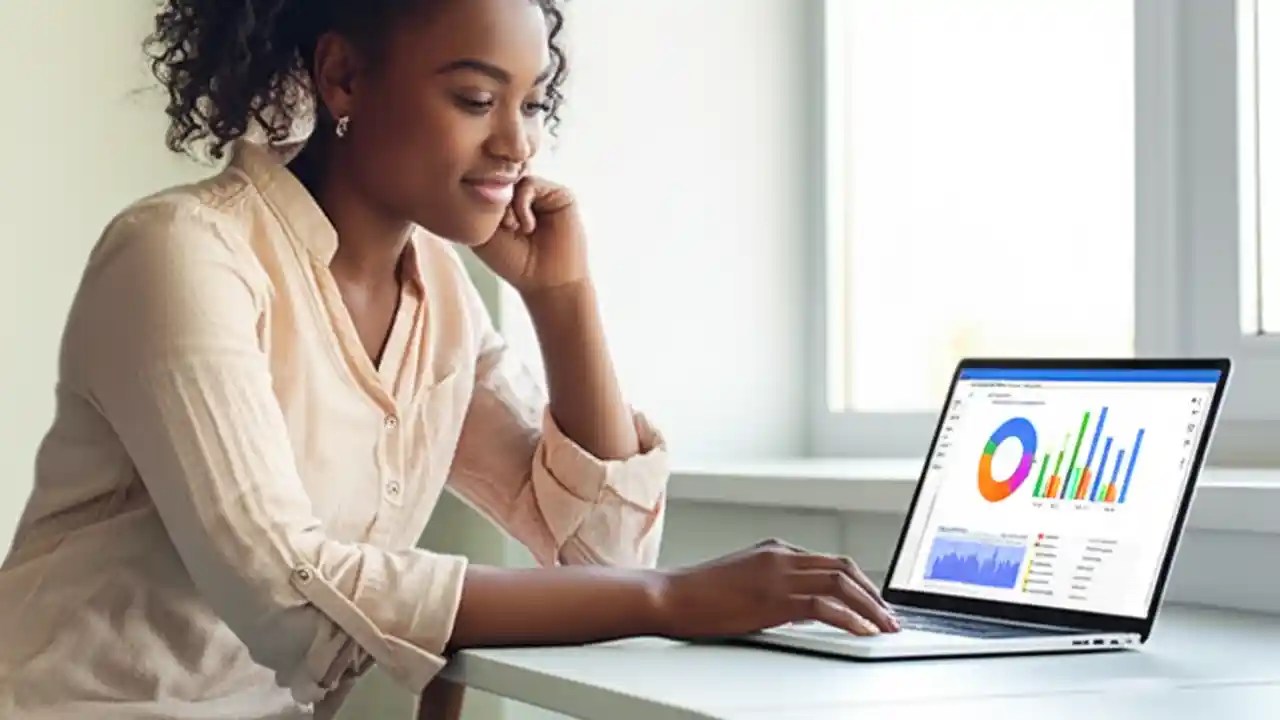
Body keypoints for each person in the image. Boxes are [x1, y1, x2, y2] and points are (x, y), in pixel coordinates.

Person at [0, 0, 899, 717]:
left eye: (531, 102)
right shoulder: (183, 255)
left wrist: (562, 297)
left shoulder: (438, 292)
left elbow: (600, 550)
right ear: (344, 76)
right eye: (476, 100)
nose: (519, 143)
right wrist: (667, 600)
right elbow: (287, 592)